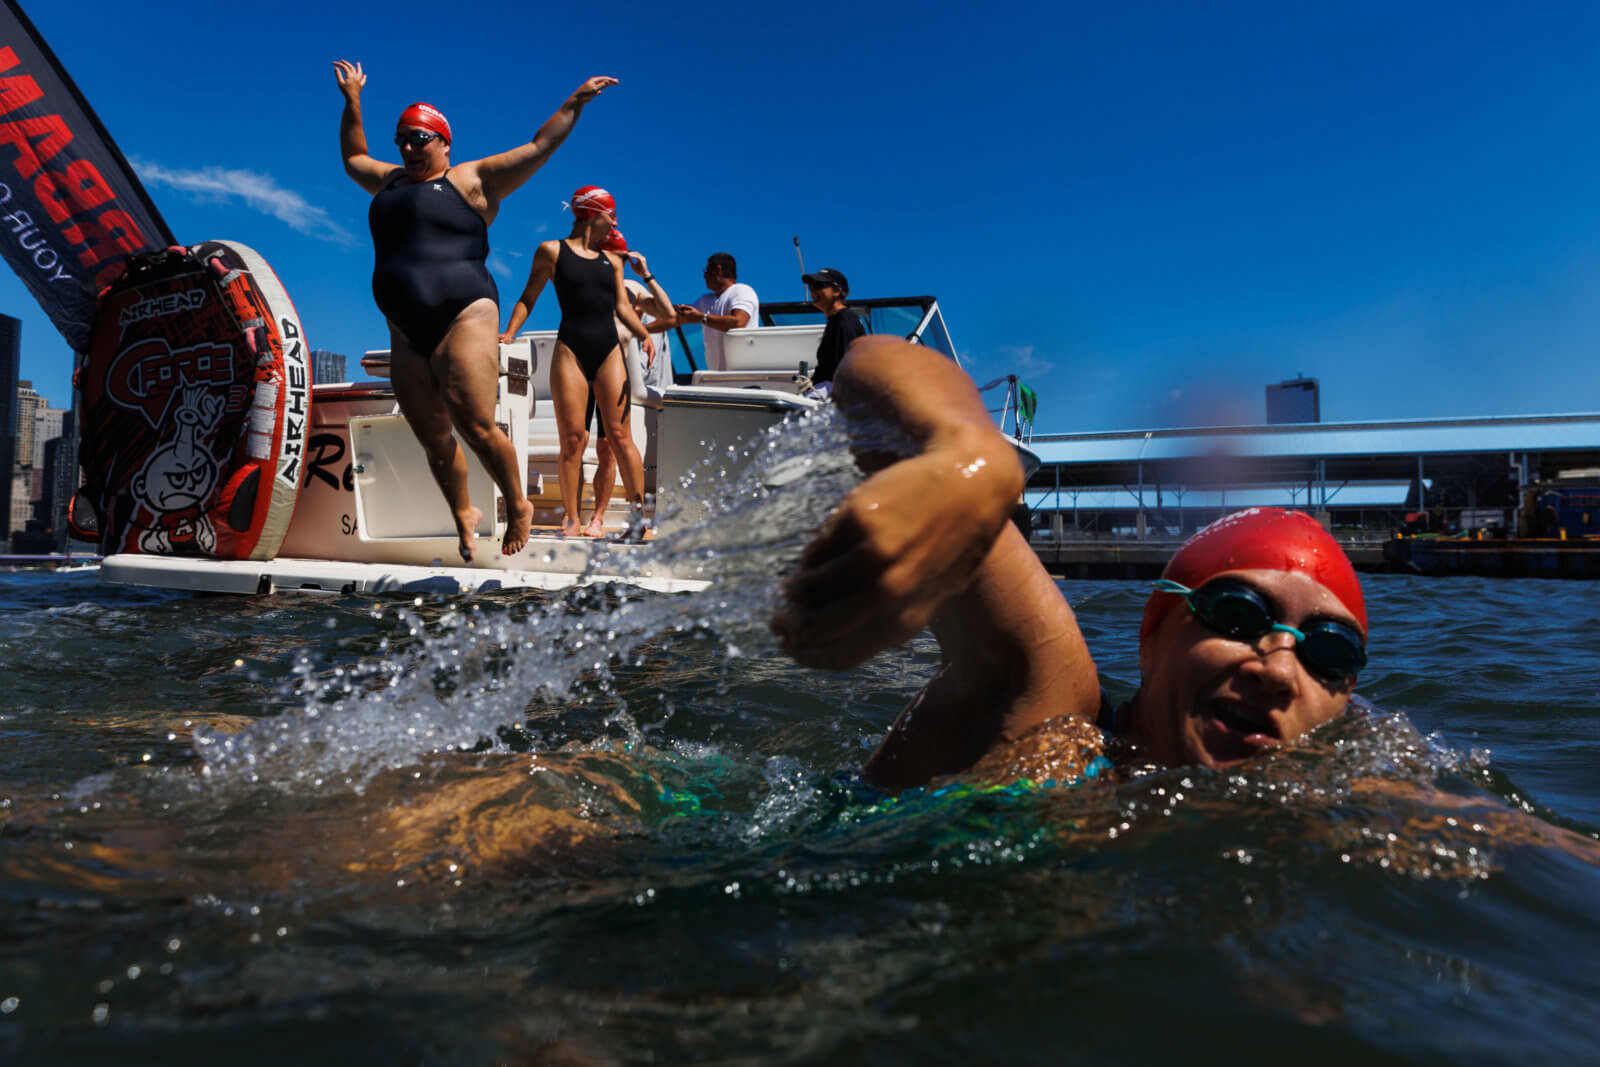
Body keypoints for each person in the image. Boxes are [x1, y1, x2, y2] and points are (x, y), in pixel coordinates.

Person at [772, 336, 1371, 791]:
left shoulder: (1340, 806)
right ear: (1153, 636)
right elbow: (872, 362)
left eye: (1330, 651)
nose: (1279, 671)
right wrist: (969, 457)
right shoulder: (1050, 706)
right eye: (1238, 614)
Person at [334, 60, 615, 563]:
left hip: (465, 310)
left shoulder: (472, 180)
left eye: (418, 138)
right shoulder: (390, 182)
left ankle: (517, 502)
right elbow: (354, 155)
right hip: (403, 325)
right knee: (432, 436)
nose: (406, 148)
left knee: (473, 421)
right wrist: (352, 98)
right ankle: (463, 512)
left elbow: (537, 147)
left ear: (443, 141)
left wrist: (572, 105)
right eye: (400, 138)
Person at [499, 188, 651, 536]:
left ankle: (639, 519)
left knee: (619, 436)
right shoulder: (551, 252)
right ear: (594, 213)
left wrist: (643, 334)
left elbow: (622, 308)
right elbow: (528, 297)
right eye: (611, 213)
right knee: (572, 440)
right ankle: (571, 519)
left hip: (608, 350)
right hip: (570, 349)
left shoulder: (611, 262)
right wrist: (509, 333)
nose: (615, 220)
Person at [581, 228, 675, 537]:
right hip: (581, 367)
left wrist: (646, 274)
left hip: (614, 370)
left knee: (613, 446)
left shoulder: (630, 286)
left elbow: (668, 314)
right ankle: (586, 519)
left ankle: (631, 520)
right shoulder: (583, 278)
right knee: (580, 442)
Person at [674, 253, 758, 372]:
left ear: (718, 270)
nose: (704, 275)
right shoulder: (705, 300)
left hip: (742, 376)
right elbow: (676, 317)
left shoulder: (742, 291)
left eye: (706, 270)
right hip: (716, 377)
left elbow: (739, 322)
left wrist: (701, 318)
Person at [800, 267, 865, 395]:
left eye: (818, 285)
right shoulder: (836, 320)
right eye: (811, 287)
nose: (813, 290)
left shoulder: (845, 320)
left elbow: (846, 366)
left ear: (836, 291)